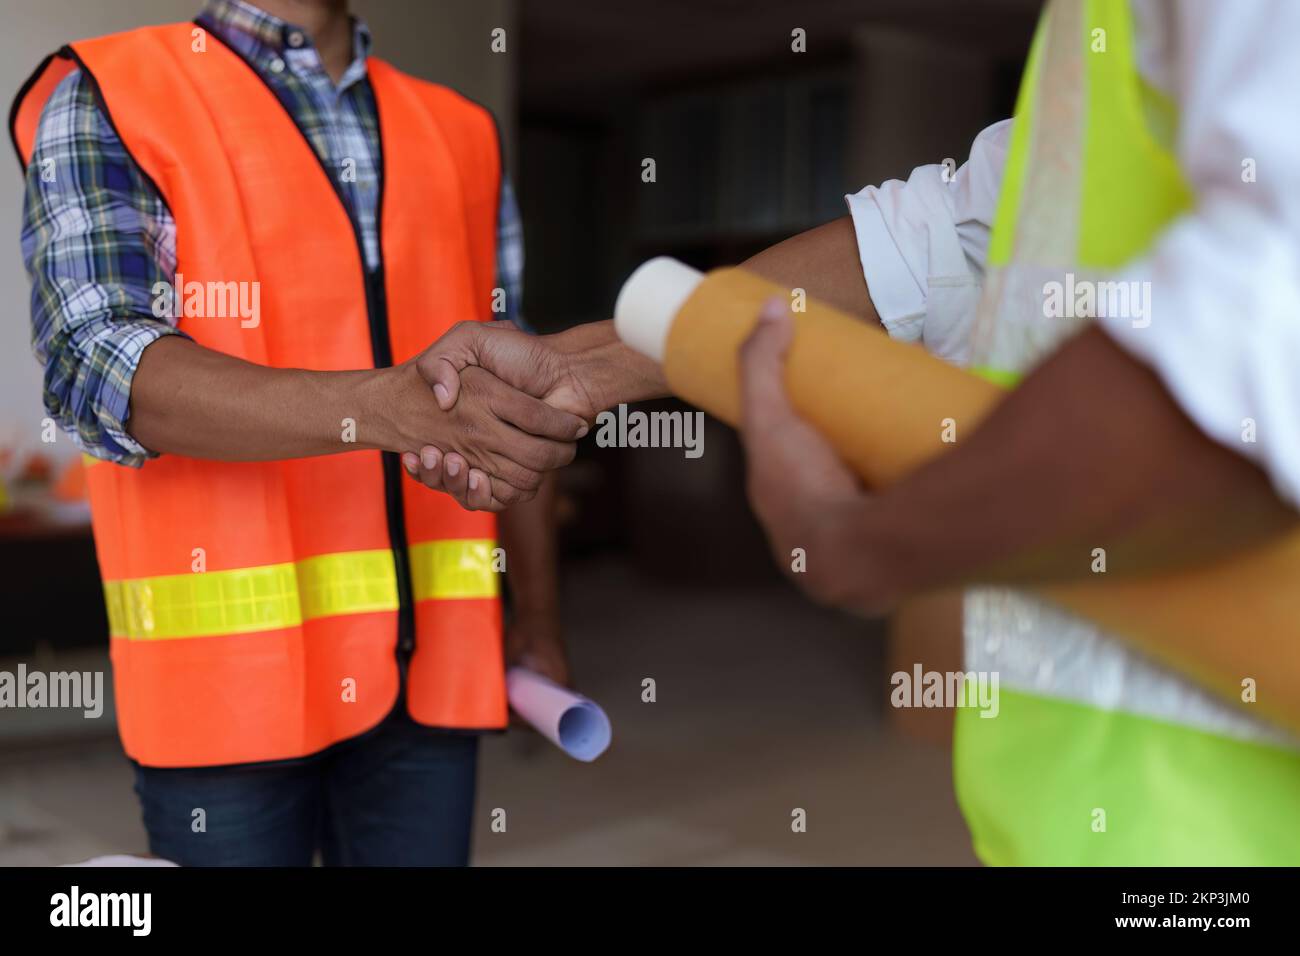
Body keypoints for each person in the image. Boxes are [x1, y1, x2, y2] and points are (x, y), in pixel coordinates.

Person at [414, 0, 1300, 864]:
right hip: (1076, 812)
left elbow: (1252, 343)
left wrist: (864, 544)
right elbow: (944, 239)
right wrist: (584, 370)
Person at [15, 0, 580, 866]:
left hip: (433, 673)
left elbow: (520, 388)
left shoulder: (461, 131)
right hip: (228, 698)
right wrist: (387, 407)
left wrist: (537, 617)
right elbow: (98, 365)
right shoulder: (115, 90)